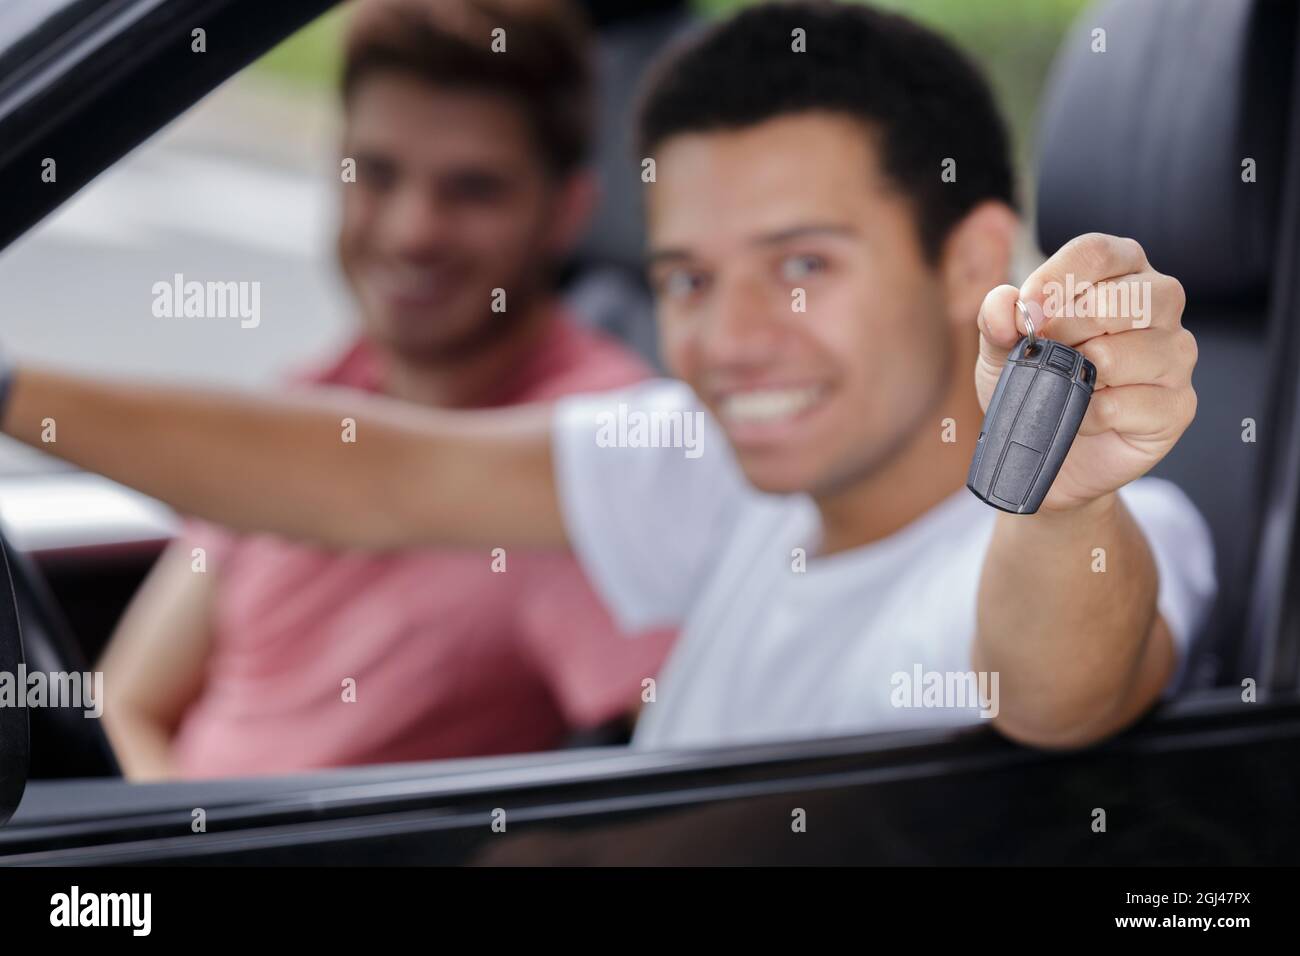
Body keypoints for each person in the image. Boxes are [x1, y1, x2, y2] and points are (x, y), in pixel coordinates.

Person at [2, 0, 1215, 752]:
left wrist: (1059, 500)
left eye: (799, 264)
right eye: (685, 277)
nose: (727, 339)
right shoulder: (723, 464)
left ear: (968, 261)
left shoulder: (1105, 524)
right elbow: (369, 474)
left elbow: (1059, 694)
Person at [95, 0, 674, 779]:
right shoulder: (322, 393)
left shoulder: (595, 454)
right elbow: (129, 702)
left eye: (472, 190)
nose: (412, 231)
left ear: (567, 211)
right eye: (377, 173)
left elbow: (699, 783)